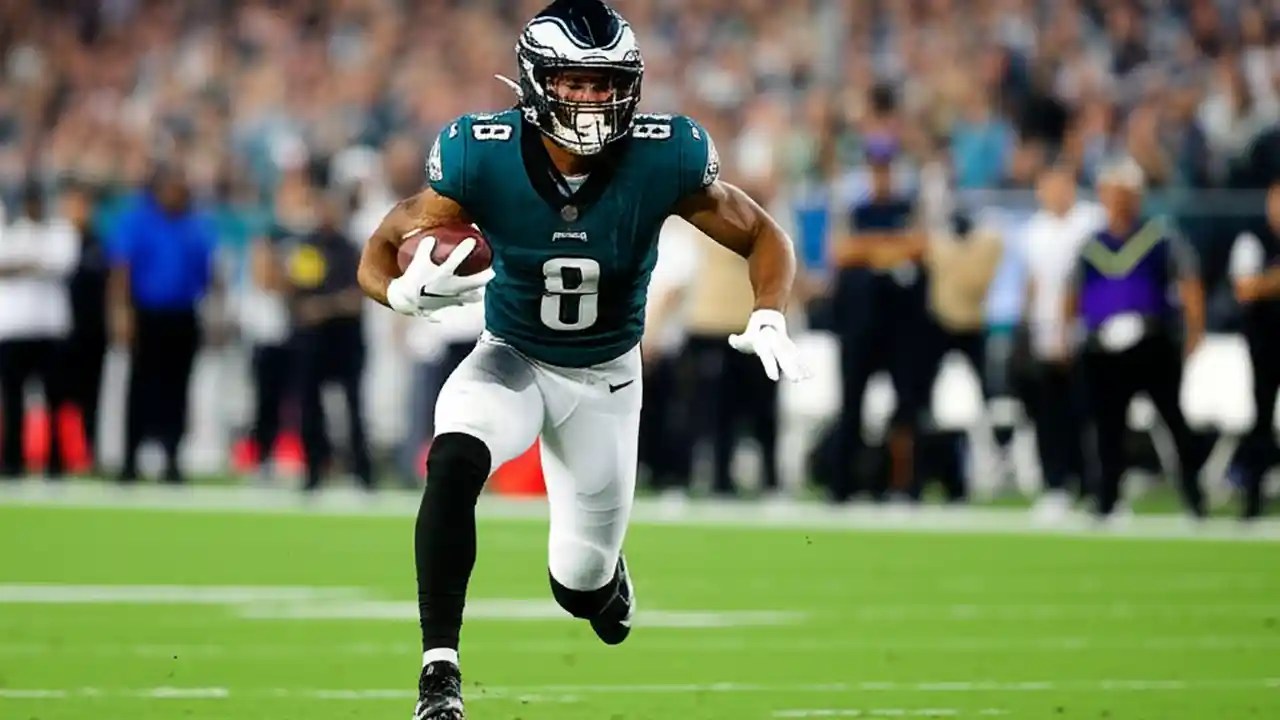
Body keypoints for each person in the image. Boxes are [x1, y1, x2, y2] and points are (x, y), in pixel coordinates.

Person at [354, 2, 804, 717]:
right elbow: (379, 249)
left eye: (606, 83)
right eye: (575, 80)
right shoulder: (481, 151)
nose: (593, 99)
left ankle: (602, 585)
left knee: (579, 584)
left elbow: (762, 233)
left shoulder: (666, 153)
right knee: (455, 457)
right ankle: (439, 672)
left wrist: (770, 310)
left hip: (606, 380)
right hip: (512, 357)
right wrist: (402, 297)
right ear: (535, 83)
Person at [1067, 158, 1207, 522]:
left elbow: (1189, 282)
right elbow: (1072, 292)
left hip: (1152, 342)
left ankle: (1194, 497)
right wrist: (1069, 334)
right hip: (1102, 346)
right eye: (1112, 194)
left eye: (1126, 194)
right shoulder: (1091, 245)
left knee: (1173, 421)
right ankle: (1107, 499)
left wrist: (1194, 331)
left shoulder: (1159, 237)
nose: (1119, 202)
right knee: (1106, 427)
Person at [108, 166, 217, 484]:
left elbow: (209, 273)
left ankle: (172, 457)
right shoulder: (138, 222)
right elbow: (121, 271)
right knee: (141, 388)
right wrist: (122, 313)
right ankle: (130, 459)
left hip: (183, 315)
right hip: (147, 314)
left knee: (178, 389)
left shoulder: (195, 225)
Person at [1022, 164, 1104, 519]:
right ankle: (1056, 484)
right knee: (1049, 414)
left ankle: (1094, 485)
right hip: (1045, 332)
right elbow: (1035, 282)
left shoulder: (1091, 222)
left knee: (1087, 413)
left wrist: (1075, 329)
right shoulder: (1034, 230)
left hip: (1083, 332)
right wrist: (1031, 327)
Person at [286, 191, 372, 492]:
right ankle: (314, 469)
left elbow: (356, 298)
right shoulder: (308, 248)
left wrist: (324, 307)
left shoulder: (349, 249)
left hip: (345, 339)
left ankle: (362, 470)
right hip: (313, 342)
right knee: (310, 407)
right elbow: (298, 294)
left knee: (354, 407)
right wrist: (328, 306)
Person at [0, 181, 78, 479]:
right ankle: (12, 461)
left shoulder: (58, 231)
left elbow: (61, 264)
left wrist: (18, 266)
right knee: (13, 399)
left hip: (50, 328)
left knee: (55, 399)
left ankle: (55, 462)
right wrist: (32, 265)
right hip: (13, 327)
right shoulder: (10, 230)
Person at [1231, 178, 1280, 520]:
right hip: (1266, 344)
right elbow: (1246, 289)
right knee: (1260, 419)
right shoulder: (1252, 239)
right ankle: (1252, 500)